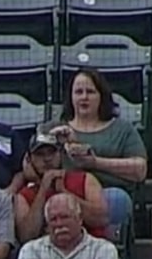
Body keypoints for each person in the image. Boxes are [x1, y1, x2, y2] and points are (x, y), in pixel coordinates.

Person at [43, 70, 145, 239]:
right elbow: (30, 166)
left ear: (101, 96)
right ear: (71, 97)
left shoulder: (122, 129)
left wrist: (95, 163)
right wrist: (53, 144)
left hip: (106, 195)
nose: (84, 97)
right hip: (62, 192)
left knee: (116, 199)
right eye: (78, 92)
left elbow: (140, 170)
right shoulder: (52, 128)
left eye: (90, 92)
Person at [8, 132, 109, 242]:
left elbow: (101, 219)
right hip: (46, 254)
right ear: (29, 159)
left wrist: (63, 192)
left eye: (52, 152)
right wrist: (43, 190)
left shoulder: (85, 179)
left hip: (90, 249)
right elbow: (26, 236)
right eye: (40, 154)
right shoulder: (24, 195)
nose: (47, 159)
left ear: (60, 154)